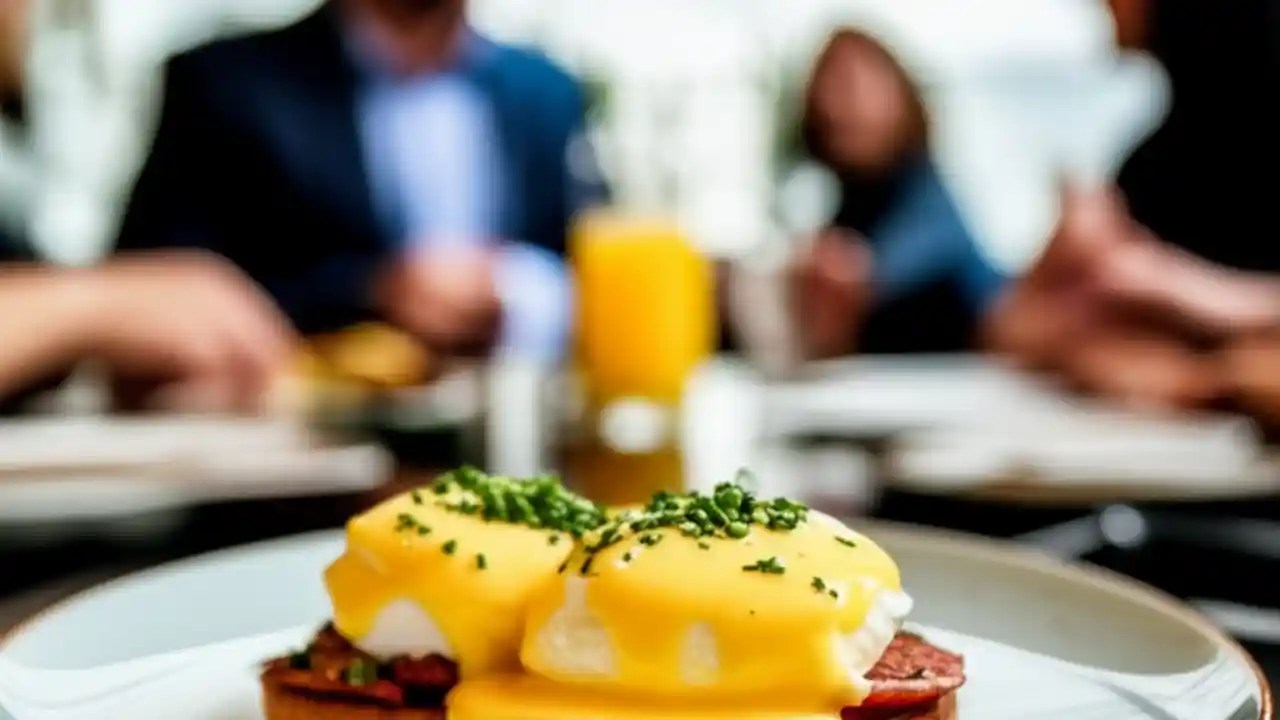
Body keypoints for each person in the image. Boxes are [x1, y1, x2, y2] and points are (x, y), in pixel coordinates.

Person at [116, 0, 604, 363]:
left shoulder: (548, 92)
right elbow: (145, 294)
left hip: (520, 447)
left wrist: (520, 290)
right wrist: (371, 292)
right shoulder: (225, 86)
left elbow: (599, 268)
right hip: (293, 468)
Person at [789, 30, 1005, 358]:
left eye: (855, 86)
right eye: (828, 89)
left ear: (901, 97)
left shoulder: (928, 200)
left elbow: (884, 266)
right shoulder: (847, 214)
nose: (838, 106)